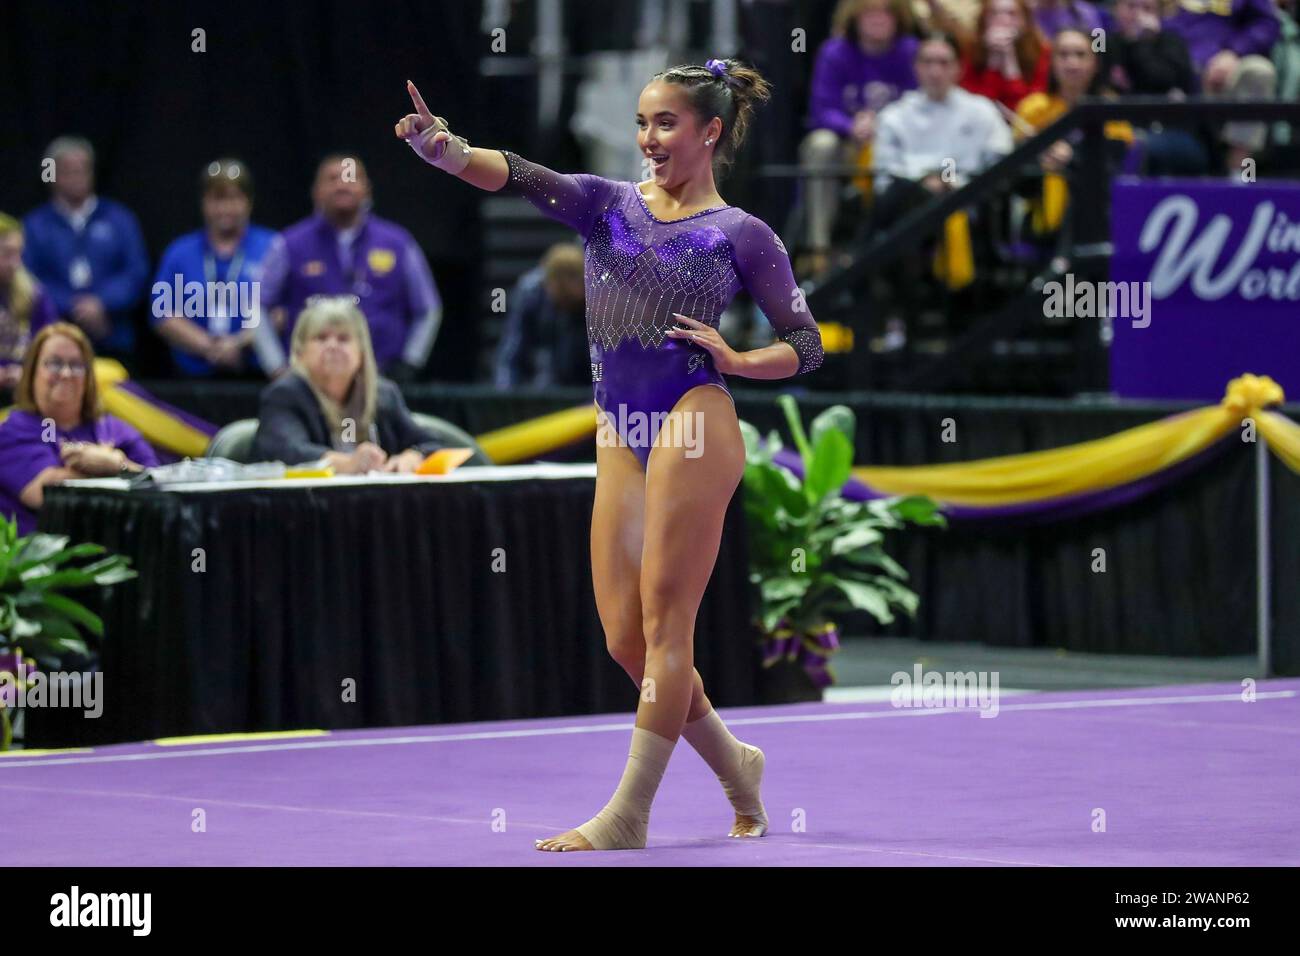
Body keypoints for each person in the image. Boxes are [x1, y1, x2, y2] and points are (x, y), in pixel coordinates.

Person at [395, 59, 823, 851]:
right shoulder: (605, 206)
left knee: (667, 625)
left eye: (666, 123)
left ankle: (628, 813)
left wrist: (737, 359)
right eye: (641, 122)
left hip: (695, 420)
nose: (649, 139)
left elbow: (808, 344)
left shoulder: (742, 234)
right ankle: (739, 769)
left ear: (711, 132)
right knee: (625, 640)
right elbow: (520, 174)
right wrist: (446, 151)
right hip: (618, 429)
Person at [255, 155, 442, 382]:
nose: (342, 184)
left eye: (351, 177)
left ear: (367, 189)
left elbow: (428, 309)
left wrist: (410, 362)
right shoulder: (289, 244)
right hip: (309, 380)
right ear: (316, 191)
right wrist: (276, 367)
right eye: (333, 178)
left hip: (382, 377)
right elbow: (256, 306)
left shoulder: (398, 243)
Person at [252, 295, 445, 473]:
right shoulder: (284, 394)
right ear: (300, 351)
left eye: (343, 339)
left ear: (361, 352)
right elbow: (285, 451)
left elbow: (433, 443)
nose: (333, 346)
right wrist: (346, 463)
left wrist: (413, 456)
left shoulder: (383, 394)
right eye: (321, 338)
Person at [0, 323, 157, 535]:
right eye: (54, 363)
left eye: (76, 365)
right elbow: (44, 493)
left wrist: (117, 464)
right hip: (43, 560)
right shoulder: (14, 428)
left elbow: (157, 485)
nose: (66, 374)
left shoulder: (114, 428)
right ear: (32, 372)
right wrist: (114, 471)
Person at [799, 0, 920, 274]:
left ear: (899, 17)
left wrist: (885, 123)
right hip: (849, 145)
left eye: (886, 11)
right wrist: (851, 125)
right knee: (820, 144)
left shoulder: (911, 51)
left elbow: (920, 103)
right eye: (869, 12)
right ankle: (819, 248)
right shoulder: (834, 52)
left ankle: (894, 255)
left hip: (899, 146)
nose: (878, 19)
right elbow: (822, 108)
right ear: (853, 17)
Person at [21, 137, 150, 364]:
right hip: (54, 341)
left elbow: (136, 272)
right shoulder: (35, 225)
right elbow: (28, 278)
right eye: (69, 170)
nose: (77, 177)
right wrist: (72, 306)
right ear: (51, 174)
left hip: (113, 338)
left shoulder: (119, 219)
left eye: (84, 169)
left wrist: (102, 303)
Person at [150, 159, 277, 378]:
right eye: (217, 199)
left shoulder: (272, 247)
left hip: (256, 374)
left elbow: (282, 311)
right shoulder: (179, 252)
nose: (226, 208)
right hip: (192, 379)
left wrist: (239, 343)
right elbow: (161, 313)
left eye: (234, 198)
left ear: (249, 202)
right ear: (203, 202)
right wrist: (209, 346)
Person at [1165, 0, 1280, 171]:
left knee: (1259, 71)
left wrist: (1234, 52)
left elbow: (1268, 24)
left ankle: (1240, 174)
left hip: (1226, 73)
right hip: (1170, 69)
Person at [493, 243, 588, 387]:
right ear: (549, 284)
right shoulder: (530, 292)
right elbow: (511, 355)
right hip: (541, 379)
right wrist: (506, 401)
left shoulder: (597, 295)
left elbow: (603, 360)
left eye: (570, 300)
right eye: (561, 298)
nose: (565, 305)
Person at [959, 0, 1052, 110]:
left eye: (1011, 14)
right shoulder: (969, 51)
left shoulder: (1042, 52)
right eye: (994, 13)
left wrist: (1009, 58)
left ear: (1025, 21)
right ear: (983, 20)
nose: (1003, 20)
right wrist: (993, 62)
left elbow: (1026, 108)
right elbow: (976, 107)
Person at [1, 213, 58, 391]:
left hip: (25, 391)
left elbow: (53, 345)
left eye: (18, 253)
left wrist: (28, 372)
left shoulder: (33, 293)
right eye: (7, 254)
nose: (16, 263)